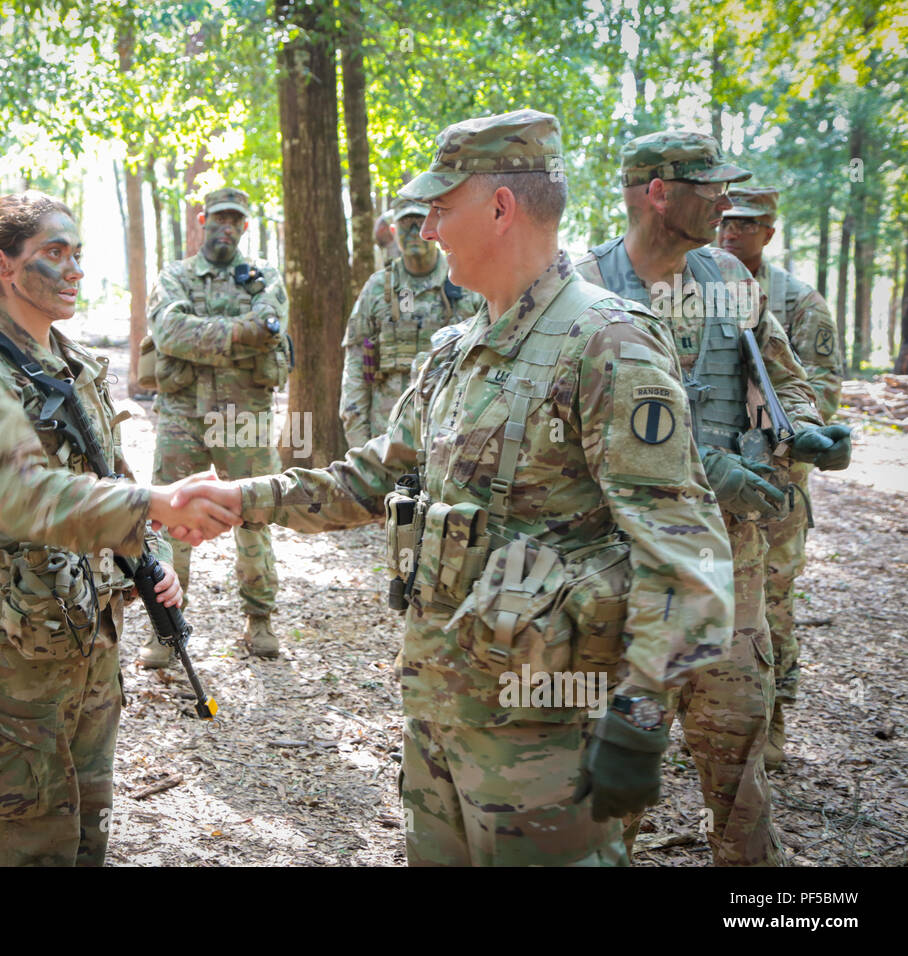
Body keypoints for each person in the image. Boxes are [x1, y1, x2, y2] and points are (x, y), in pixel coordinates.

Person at [172, 111, 735, 866]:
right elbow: (374, 474)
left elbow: (687, 553)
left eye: (443, 207)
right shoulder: (456, 349)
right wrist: (248, 499)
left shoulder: (608, 345)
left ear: (501, 208)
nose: (428, 229)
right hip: (437, 715)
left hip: (547, 740)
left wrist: (637, 716)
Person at [0, 192, 236, 866]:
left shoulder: (76, 364)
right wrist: (156, 503)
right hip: (8, 661)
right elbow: (18, 495)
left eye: (77, 254)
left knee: (89, 836)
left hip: (88, 640)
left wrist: (149, 555)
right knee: (30, 844)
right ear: (1, 264)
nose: (72, 270)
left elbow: (108, 474)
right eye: (52, 254)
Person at [575, 130, 851, 865]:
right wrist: (705, 470)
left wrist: (805, 433)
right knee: (614, 752)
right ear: (655, 192)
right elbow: (562, 431)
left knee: (737, 737)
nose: (726, 202)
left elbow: (783, 377)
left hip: (732, 559)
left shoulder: (729, 275)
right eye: (710, 187)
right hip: (621, 565)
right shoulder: (582, 289)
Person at [718, 185, 844, 770]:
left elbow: (817, 391)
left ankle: (772, 723)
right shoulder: (695, 288)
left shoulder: (798, 303)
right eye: (724, 221)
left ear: (768, 232)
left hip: (777, 482)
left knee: (772, 601)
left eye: (745, 225)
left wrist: (773, 434)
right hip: (714, 479)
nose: (730, 232)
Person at [143, 186, 291, 663]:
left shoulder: (263, 276)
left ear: (245, 226)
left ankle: (260, 620)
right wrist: (240, 334)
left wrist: (202, 335)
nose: (226, 227)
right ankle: (165, 630)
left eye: (236, 220)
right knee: (168, 514)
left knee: (254, 516)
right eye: (218, 218)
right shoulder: (175, 276)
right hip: (182, 415)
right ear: (202, 220)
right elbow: (168, 332)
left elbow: (271, 325)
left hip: (243, 415)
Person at [340, 197, 484, 448]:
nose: (414, 232)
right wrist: (358, 440)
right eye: (405, 225)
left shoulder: (465, 282)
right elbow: (355, 366)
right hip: (386, 438)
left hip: (452, 436)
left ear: (435, 228)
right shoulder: (377, 289)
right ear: (394, 231)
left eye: (419, 223)